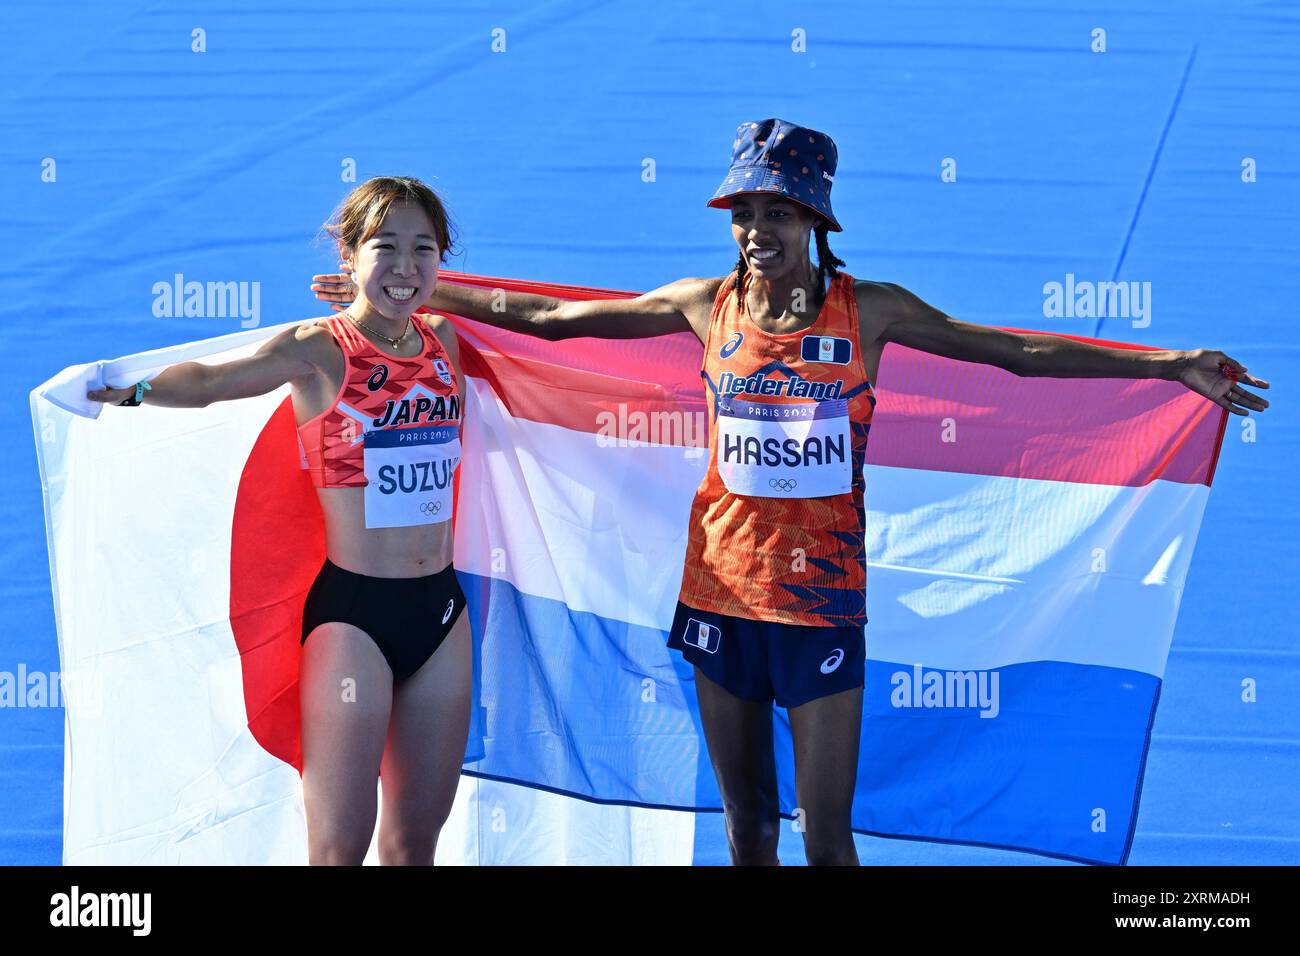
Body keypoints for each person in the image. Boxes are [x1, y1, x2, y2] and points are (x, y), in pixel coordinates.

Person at [314, 119, 1271, 866]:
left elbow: (1012, 353)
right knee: (747, 835)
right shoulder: (705, 304)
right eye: (743, 213)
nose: (755, 231)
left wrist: (1168, 363)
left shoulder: (873, 311)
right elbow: (557, 319)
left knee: (824, 839)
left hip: (821, 605)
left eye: (775, 213)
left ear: (814, 220)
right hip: (718, 596)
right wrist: (418, 295)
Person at [91, 176, 472, 866]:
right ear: (349, 256)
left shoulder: (445, 341)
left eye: (424, 250)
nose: (407, 268)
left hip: (443, 615)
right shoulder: (319, 350)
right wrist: (133, 393)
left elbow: (539, 325)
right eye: (386, 247)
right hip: (355, 619)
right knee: (337, 849)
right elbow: (210, 383)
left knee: (416, 842)